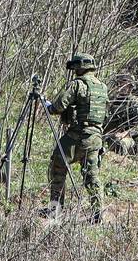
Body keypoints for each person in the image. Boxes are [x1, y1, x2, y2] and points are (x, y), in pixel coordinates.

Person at [42, 53, 108, 223]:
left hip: (77, 135)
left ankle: (55, 209)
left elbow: (58, 106)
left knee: (58, 165)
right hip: (96, 137)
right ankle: (98, 212)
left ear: (79, 67)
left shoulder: (77, 84)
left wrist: (48, 106)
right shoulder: (102, 86)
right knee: (92, 176)